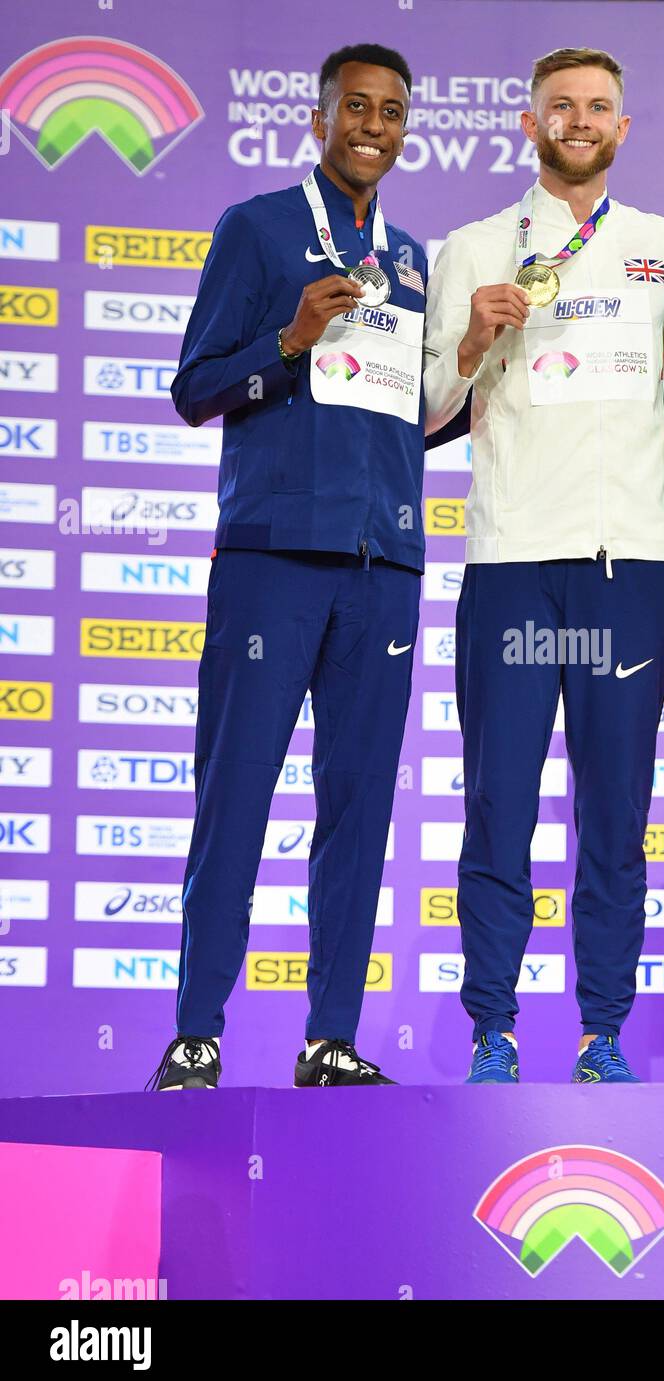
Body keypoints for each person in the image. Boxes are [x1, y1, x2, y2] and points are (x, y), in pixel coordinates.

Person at [147, 43, 426, 1091]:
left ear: (405, 131)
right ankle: (195, 1033)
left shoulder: (411, 260)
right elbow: (193, 387)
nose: (373, 124)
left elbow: (394, 416)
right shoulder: (257, 228)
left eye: (392, 111)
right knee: (238, 794)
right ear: (319, 119)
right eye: (356, 106)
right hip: (271, 559)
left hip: (383, 565)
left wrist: (473, 393)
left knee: (357, 807)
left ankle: (331, 1037)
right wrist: (288, 339)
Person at [423, 47, 664, 1084]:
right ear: (527, 122)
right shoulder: (471, 247)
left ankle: (602, 1034)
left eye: (597, 108)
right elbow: (423, 414)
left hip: (624, 560)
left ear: (622, 128)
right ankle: (491, 1027)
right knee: (497, 802)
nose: (578, 121)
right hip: (509, 559)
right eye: (560, 107)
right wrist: (464, 346)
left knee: (614, 808)